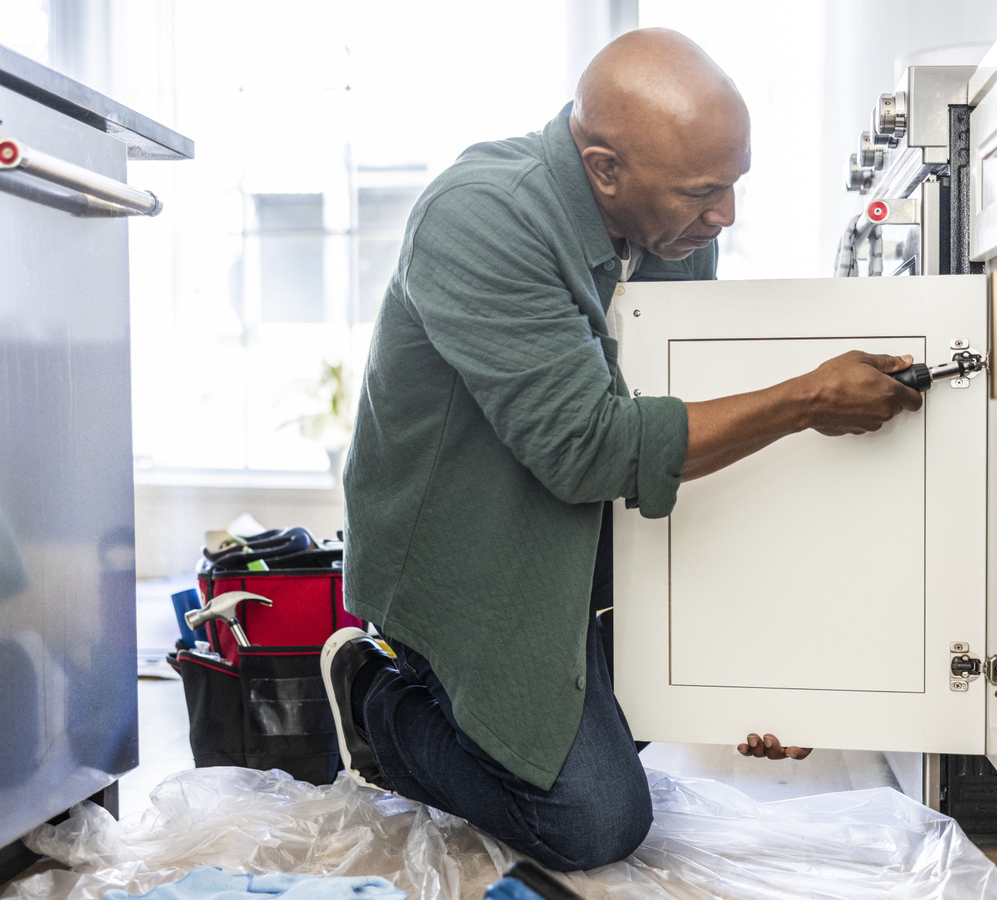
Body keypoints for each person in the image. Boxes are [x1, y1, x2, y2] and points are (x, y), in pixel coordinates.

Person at [322, 27, 922, 872]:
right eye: (703, 192)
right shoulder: (482, 217)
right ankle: (381, 703)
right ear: (605, 168)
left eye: (734, 184)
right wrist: (805, 399)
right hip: (468, 555)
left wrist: (758, 679)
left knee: (629, 744)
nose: (726, 217)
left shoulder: (678, 240)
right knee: (593, 821)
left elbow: (674, 429)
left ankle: (557, 700)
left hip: (584, 541)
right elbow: (591, 452)